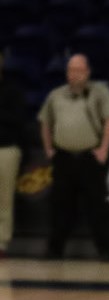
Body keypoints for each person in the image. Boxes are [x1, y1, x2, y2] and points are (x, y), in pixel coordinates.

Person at [37, 54, 109, 260]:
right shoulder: (56, 95)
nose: (74, 75)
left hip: (89, 156)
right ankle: (55, 249)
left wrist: (104, 149)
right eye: (71, 70)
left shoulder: (99, 92)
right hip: (63, 157)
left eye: (79, 70)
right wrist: (49, 149)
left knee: (96, 205)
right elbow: (45, 121)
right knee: (60, 204)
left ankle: (105, 250)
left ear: (87, 72)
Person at [0, 54, 27, 258]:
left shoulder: (12, 91)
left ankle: (1, 243)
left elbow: (17, 120)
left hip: (6, 149)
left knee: (4, 199)